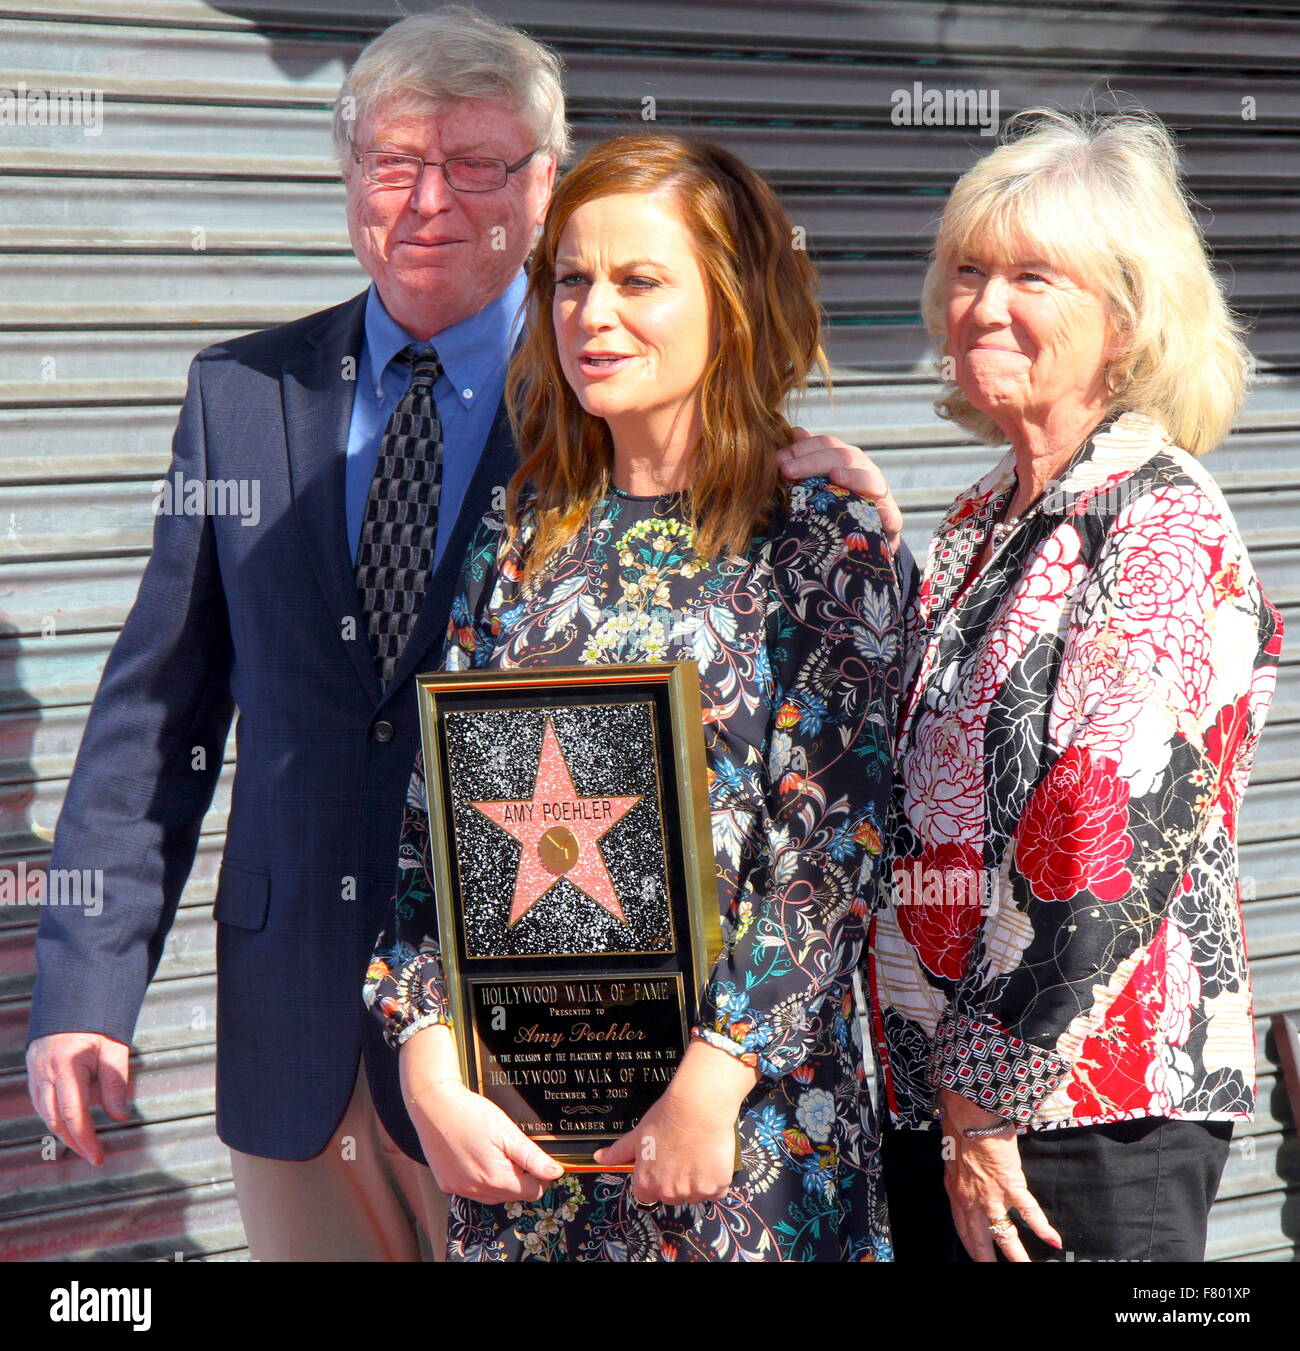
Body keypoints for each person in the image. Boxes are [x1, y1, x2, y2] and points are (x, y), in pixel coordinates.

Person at [24, 8, 898, 1262]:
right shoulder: (246, 399)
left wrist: (821, 483)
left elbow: (826, 817)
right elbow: (154, 714)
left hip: (634, 1100)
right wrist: (86, 986)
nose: (429, 199)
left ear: (542, 185)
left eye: (476, 164)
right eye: (391, 161)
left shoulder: (617, 429)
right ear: (346, 180)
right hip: (321, 1038)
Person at [364, 131, 904, 1262]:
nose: (592, 315)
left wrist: (714, 1080)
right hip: (522, 1155)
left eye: (639, 280)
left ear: (734, 300)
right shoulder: (522, 539)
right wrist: (425, 1064)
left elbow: (833, 850)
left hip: (740, 1144)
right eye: (570, 280)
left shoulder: (820, 538)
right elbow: (433, 845)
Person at [869, 107, 1284, 1264]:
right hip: (947, 1108)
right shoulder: (972, 524)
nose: (985, 305)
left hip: (1083, 1120)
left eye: (1032, 275)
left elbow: (1104, 829)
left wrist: (983, 1096)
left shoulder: (1158, 519)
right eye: (967, 270)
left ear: (1125, 316)